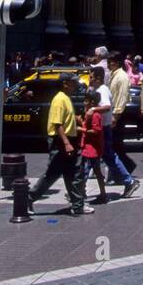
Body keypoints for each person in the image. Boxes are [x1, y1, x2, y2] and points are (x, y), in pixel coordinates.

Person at [29, 74, 91, 215]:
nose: (75, 85)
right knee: (52, 174)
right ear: (65, 83)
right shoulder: (59, 99)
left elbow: (66, 118)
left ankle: (77, 205)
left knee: (74, 173)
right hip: (61, 142)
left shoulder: (66, 98)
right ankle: (28, 199)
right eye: (73, 83)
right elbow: (57, 124)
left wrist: (77, 121)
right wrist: (67, 143)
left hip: (69, 140)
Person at [90, 63, 139, 195]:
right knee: (108, 157)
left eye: (92, 77)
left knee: (91, 158)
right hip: (103, 129)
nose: (90, 80)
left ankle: (77, 189)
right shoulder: (102, 88)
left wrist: (93, 109)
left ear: (98, 78)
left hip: (102, 130)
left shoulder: (102, 91)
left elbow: (107, 106)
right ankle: (128, 181)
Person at [108, 52, 137, 177]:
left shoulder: (122, 77)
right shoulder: (113, 75)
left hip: (118, 114)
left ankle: (126, 167)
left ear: (117, 62)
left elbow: (122, 97)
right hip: (112, 113)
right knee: (115, 145)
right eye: (108, 61)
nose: (109, 64)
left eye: (111, 61)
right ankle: (121, 170)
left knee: (115, 145)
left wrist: (116, 115)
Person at [80, 88, 108, 202]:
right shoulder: (89, 114)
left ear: (92, 102)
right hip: (89, 147)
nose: (84, 103)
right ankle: (101, 193)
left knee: (85, 171)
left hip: (92, 148)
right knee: (95, 171)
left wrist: (81, 129)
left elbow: (96, 130)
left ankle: (82, 192)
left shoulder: (95, 115)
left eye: (86, 101)